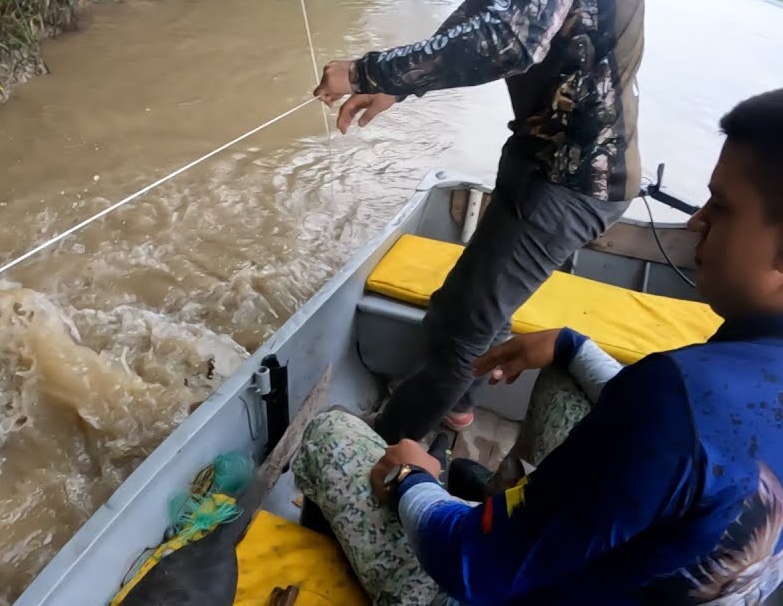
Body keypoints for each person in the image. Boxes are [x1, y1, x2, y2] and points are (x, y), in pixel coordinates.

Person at [291, 88, 783, 605]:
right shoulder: (713, 392)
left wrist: (414, 480)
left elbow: (471, 565)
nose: (695, 220)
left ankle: (352, 564)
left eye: (722, 207)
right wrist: (572, 346)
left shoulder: (674, 397)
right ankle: (512, 509)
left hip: (479, 579)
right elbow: (695, 446)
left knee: (331, 436)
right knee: (567, 379)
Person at [312, 0, 646, 441]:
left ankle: (378, 457)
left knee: (459, 329)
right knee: (464, 309)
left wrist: (371, 72)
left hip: (575, 176)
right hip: (544, 160)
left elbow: (509, 37)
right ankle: (457, 411)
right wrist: (402, 88)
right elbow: (489, 8)